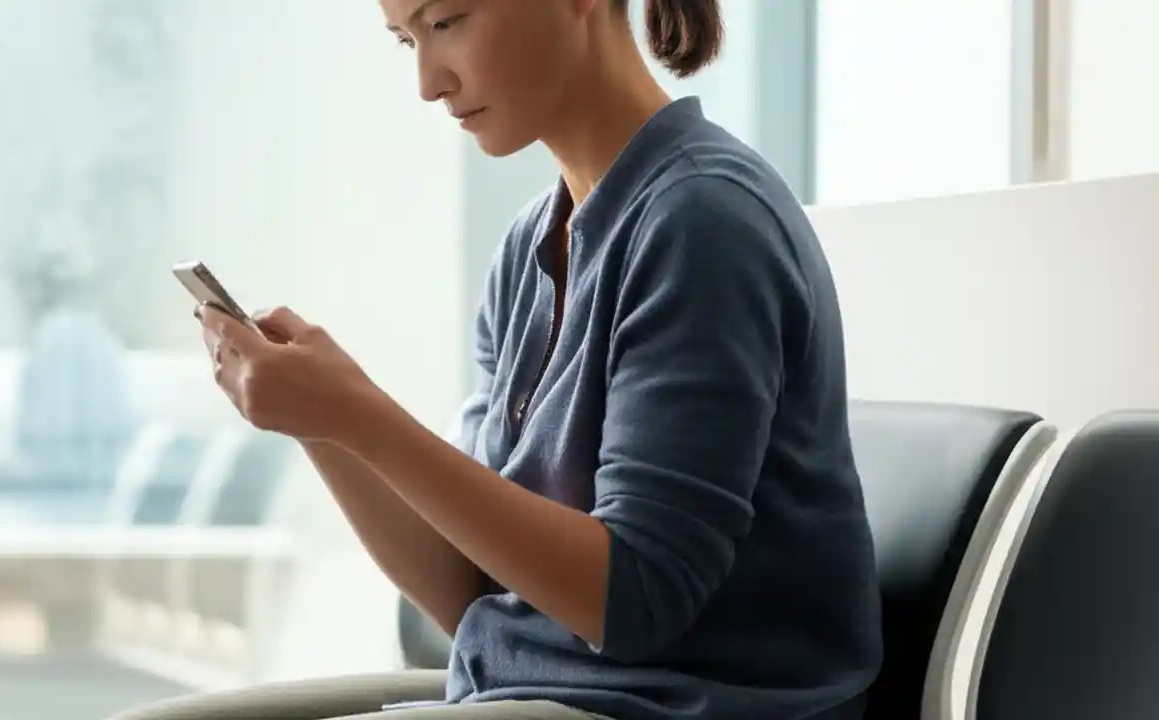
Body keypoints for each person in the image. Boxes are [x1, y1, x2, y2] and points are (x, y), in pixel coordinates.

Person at [114, 0, 881, 718]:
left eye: (446, 21)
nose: (426, 81)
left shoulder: (704, 224)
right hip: (527, 699)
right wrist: (324, 426)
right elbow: (470, 594)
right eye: (407, 41)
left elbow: (637, 602)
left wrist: (361, 414)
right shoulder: (530, 248)